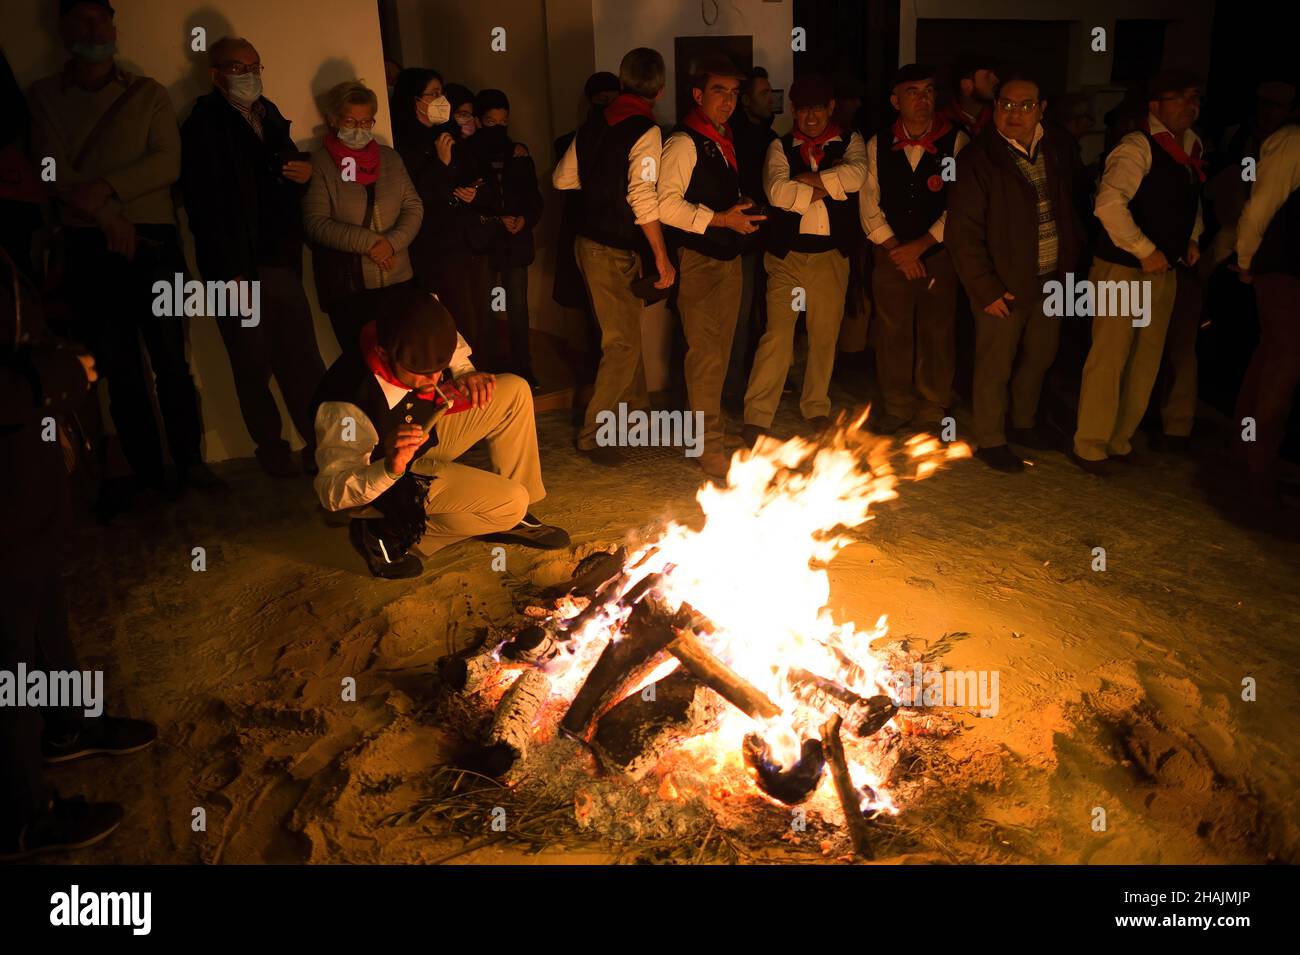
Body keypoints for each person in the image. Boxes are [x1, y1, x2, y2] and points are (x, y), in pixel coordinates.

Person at [1, 250, 158, 860]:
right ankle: (20, 814)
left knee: (43, 619)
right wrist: (55, 374)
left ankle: (67, 725)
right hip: (1, 498)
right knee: (8, 655)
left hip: (22, 488)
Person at [28, 0, 215, 506]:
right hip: (89, 245)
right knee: (119, 367)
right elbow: (48, 169)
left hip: (154, 241)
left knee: (172, 360)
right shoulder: (44, 96)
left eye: (103, 18)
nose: (97, 28)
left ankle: (191, 465)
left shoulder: (147, 93)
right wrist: (108, 216)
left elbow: (166, 163)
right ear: (63, 27)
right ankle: (150, 475)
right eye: (85, 19)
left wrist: (106, 190)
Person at [312, 285, 568, 579]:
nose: (433, 379)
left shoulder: (418, 320)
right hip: (386, 475)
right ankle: (385, 528)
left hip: (419, 436)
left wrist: (464, 371)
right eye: (419, 371)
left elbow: (443, 328)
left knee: (514, 389)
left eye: (439, 368)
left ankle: (514, 520)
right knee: (511, 501)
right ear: (384, 353)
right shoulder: (346, 407)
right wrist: (390, 467)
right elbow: (331, 495)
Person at [180, 36, 326, 478]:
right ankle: (272, 451)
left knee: (301, 361)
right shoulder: (203, 125)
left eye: (255, 66)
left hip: (280, 260)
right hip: (234, 269)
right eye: (237, 68)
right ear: (215, 75)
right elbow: (206, 207)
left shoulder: (271, 115)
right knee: (250, 363)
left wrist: (302, 174)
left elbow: (277, 180)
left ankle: (320, 447)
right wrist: (231, 273)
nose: (249, 76)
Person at [947, 74, 1085, 472]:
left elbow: (1073, 206)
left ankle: (1024, 424)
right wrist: (985, 288)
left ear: (1042, 109)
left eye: (1026, 105)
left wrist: (1071, 266)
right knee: (995, 364)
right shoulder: (978, 158)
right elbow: (962, 232)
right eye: (1006, 104)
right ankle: (991, 438)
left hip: (1053, 278)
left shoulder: (1058, 147)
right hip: (1003, 284)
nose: (1014, 113)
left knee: (1040, 356)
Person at [1073, 70, 1204, 475]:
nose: (1189, 104)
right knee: (1110, 357)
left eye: (1194, 97)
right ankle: (1091, 443)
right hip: (1123, 268)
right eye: (1179, 96)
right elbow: (1109, 205)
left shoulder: (1191, 146)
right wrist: (1145, 249)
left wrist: (1192, 238)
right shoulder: (1137, 146)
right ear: (1155, 106)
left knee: (1145, 358)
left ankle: (1119, 438)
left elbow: (1189, 202)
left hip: (1163, 268)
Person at [553, 48, 675, 466]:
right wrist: (662, 256)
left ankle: (636, 417)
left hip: (589, 242)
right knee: (621, 343)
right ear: (660, 89)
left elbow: (562, 178)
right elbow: (642, 197)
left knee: (622, 335)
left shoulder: (591, 126)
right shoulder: (646, 129)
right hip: (611, 247)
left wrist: (600, 185)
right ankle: (594, 434)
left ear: (622, 83)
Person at [658, 52, 766, 479]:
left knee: (719, 355)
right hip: (699, 260)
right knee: (705, 356)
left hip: (726, 257)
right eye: (719, 91)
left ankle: (711, 436)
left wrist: (735, 207)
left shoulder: (720, 137)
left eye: (735, 93)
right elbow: (664, 205)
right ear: (698, 94)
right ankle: (708, 447)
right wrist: (722, 218)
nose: (729, 101)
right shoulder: (684, 141)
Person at [742, 74, 866, 445]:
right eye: (803, 108)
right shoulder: (779, 146)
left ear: (830, 108)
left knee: (824, 335)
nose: (810, 116)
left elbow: (857, 176)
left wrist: (807, 179)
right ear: (794, 110)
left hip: (830, 258)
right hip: (788, 257)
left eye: (818, 107)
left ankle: (816, 407)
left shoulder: (851, 141)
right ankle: (757, 414)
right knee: (777, 335)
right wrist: (830, 187)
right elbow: (778, 192)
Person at [860, 64, 968, 435]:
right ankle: (897, 405)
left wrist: (919, 247)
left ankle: (932, 407)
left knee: (938, 333)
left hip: (937, 256)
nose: (922, 100)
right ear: (895, 100)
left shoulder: (956, 143)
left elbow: (960, 207)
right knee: (891, 332)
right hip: (890, 255)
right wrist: (897, 250)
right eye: (912, 92)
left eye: (928, 91)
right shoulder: (877, 144)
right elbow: (868, 204)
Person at [302, 79, 423, 353]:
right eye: (351, 122)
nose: (359, 129)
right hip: (352, 289)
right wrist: (370, 243)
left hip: (398, 279)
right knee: (364, 363)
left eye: (366, 122)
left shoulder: (389, 158)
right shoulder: (321, 163)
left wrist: (391, 243)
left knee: (403, 358)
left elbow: (413, 207)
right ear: (333, 120)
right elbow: (316, 223)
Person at [392, 68, 491, 358]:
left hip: (465, 240)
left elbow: (480, 177)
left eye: (442, 92)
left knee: (476, 315)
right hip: (433, 246)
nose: (441, 99)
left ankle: (479, 376)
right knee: (452, 317)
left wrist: (476, 192)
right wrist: (441, 165)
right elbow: (415, 197)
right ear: (414, 99)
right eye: (433, 94)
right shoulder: (402, 143)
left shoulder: (448, 136)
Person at [1233, 120, 1300, 506]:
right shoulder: (1291, 142)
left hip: (1284, 268)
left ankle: (1250, 454)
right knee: (1281, 364)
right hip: (1285, 270)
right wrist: (1247, 259)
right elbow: (1261, 204)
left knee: (1271, 359)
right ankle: (1257, 464)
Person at [553, 71, 621, 410]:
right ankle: (593, 402)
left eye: (612, 98)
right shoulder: (571, 141)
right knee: (592, 322)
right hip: (585, 240)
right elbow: (565, 187)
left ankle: (602, 400)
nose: (606, 106)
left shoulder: (623, 138)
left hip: (604, 239)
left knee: (609, 329)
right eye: (600, 99)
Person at [467, 88, 543, 386]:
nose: (498, 127)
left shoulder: (518, 152)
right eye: (490, 121)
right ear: (479, 120)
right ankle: (486, 368)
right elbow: (467, 198)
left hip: (515, 242)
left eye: (503, 121)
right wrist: (497, 219)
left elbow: (533, 198)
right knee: (483, 308)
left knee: (518, 309)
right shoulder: (469, 152)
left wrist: (524, 219)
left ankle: (522, 367)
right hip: (485, 242)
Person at [723, 65, 778, 416]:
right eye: (763, 94)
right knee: (737, 318)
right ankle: (731, 391)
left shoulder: (771, 137)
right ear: (745, 101)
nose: (770, 99)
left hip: (763, 241)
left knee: (760, 315)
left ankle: (749, 387)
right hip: (738, 241)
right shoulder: (733, 136)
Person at [940, 56, 998, 138]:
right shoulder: (942, 123)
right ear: (967, 85)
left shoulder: (997, 118)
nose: (996, 80)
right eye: (988, 76)